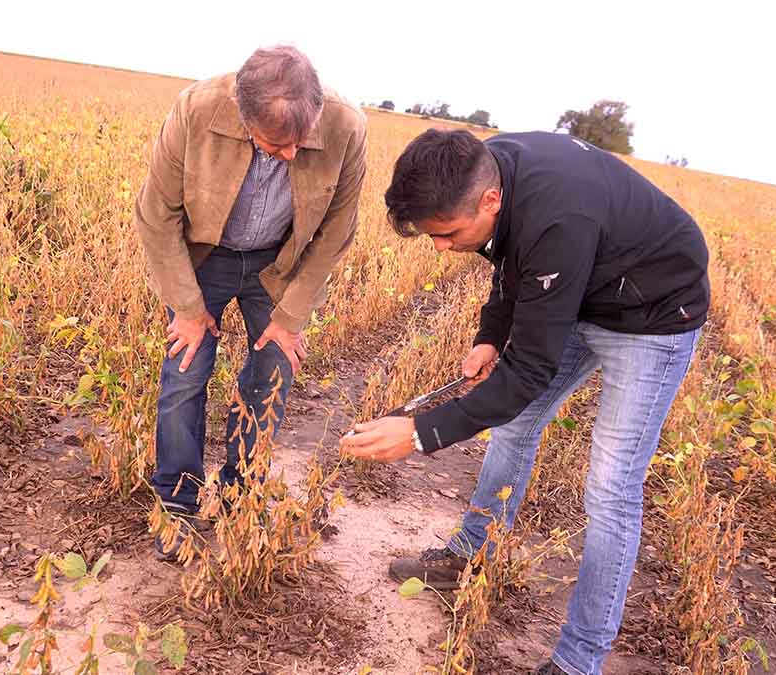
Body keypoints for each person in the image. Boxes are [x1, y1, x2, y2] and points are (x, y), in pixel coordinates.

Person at [340, 128, 708, 675]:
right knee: (512, 426)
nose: (440, 247)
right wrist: (491, 333)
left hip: (653, 315)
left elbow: (531, 367)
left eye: (447, 233)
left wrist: (420, 433)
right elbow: (514, 262)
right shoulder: (490, 164)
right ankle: (470, 556)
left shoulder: (559, 218)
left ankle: (578, 661)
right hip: (582, 290)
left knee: (611, 487)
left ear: (489, 200)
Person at [135, 45, 367, 561]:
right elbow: (156, 216)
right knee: (185, 371)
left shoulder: (347, 128)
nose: (290, 156)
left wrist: (290, 318)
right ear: (243, 117)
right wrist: (190, 310)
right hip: (206, 254)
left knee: (272, 373)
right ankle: (178, 506)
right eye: (274, 144)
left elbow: (335, 233)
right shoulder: (195, 110)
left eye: (299, 142)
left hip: (278, 263)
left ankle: (240, 498)